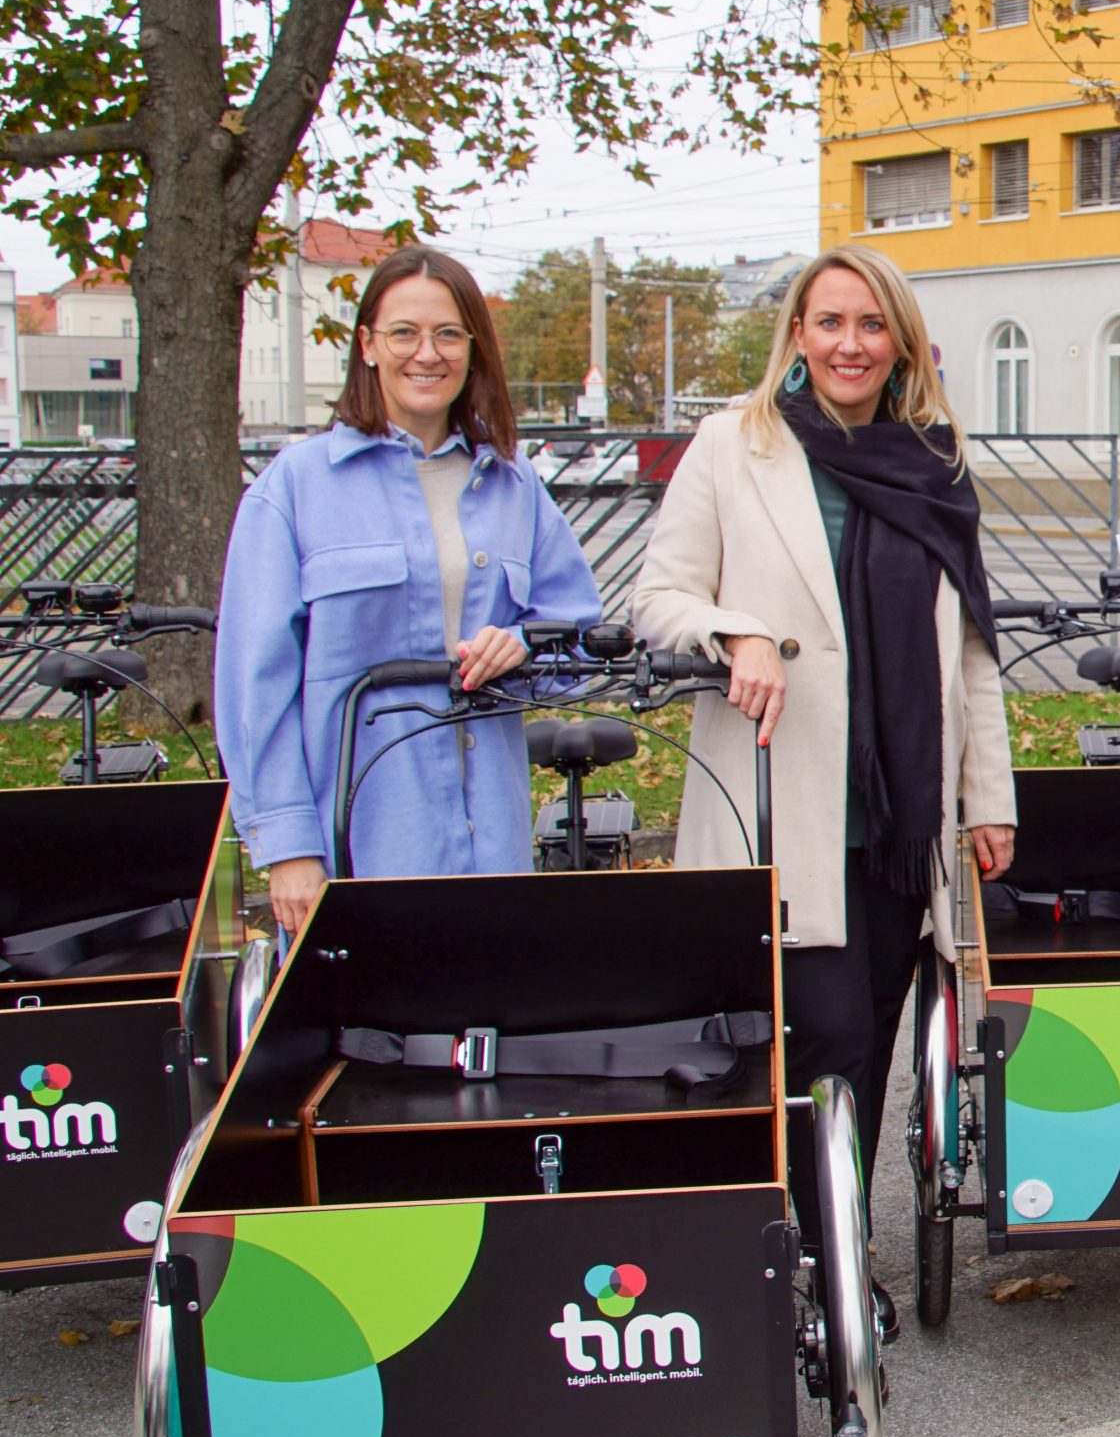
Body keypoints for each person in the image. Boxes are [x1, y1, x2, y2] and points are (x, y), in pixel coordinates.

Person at [631, 243, 1015, 1338]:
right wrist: (732, 628)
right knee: (805, 1045)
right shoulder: (731, 445)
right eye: (829, 322)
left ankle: (833, 1256)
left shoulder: (934, 462)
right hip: (777, 803)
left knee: (863, 1047)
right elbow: (658, 595)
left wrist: (988, 800)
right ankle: (806, 1260)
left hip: (897, 821)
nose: (850, 344)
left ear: (897, 343)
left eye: (870, 325)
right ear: (796, 335)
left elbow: (973, 650)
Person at [216, 246, 602, 932]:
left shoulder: (515, 487)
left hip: (493, 848)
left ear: (473, 350)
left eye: (449, 334)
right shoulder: (295, 488)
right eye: (404, 333)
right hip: (358, 847)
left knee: (489, 1024)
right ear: (367, 345)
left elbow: (578, 638)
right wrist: (289, 849)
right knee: (367, 1036)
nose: (427, 353)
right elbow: (255, 688)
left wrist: (519, 647)